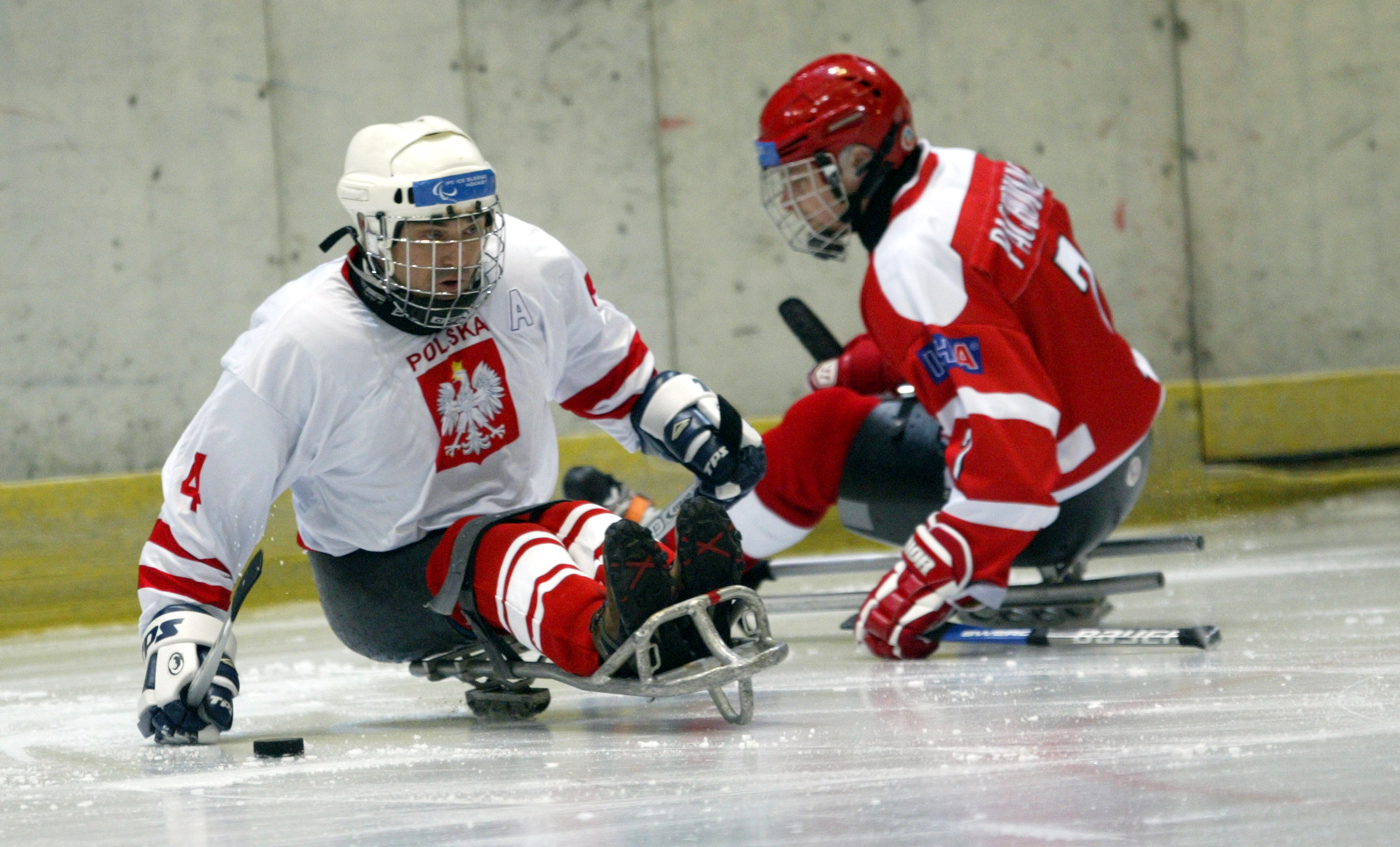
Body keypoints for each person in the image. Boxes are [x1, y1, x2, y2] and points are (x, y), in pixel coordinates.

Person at [134, 116, 764, 744]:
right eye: (434, 236)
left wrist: (680, 418)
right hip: (381, 579)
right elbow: (205, 507)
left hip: (521, 518)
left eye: (472, 230)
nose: (461, 258)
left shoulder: (529, 266)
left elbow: (610, 374)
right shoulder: (302, 341)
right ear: (373, 231)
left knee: (593, 526)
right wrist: (181, 639)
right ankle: (607, 632)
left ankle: (685, 612)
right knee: (513, 552)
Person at [571, 54, 1163, 660]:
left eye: (801, 178)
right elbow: (1012, 324)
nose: (793, 202)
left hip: (1053, 502)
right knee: (846, 402)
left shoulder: (911, 257)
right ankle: (689, 536)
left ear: (856, 160)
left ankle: (675, 569)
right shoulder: (973, 173)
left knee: (821, 429)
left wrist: (929, 579)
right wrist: (871, 362)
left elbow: (1013, 454)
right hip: (1121, 455)